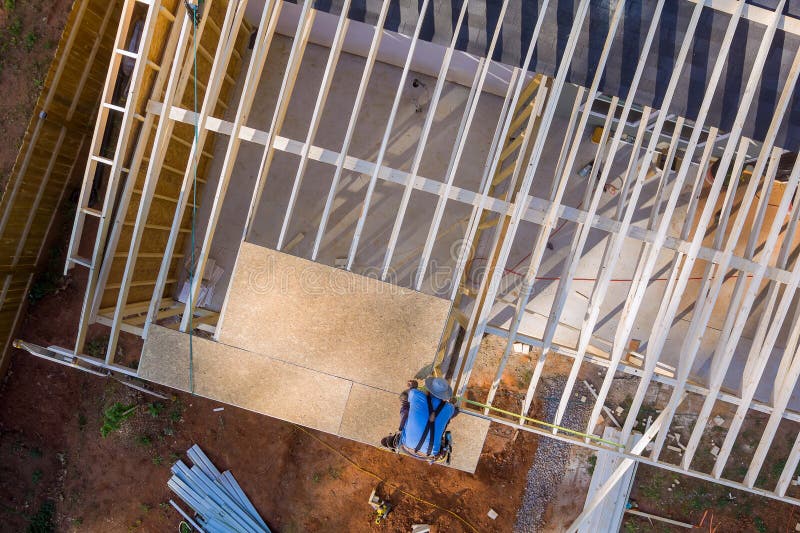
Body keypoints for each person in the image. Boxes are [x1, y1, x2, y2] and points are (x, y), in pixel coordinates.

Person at [380, 377, 458, 464]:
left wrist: (413, 387)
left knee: (406, 403)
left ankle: (397, 436)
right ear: (445, 396)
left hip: (408, 446)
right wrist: (453, 404)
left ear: (428, 389)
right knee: (445, 419)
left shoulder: (416, 394)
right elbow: (455, 410)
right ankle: (397, 438)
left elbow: (405, 395)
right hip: (424, 453)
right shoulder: (449, 408)